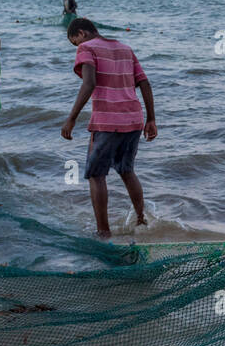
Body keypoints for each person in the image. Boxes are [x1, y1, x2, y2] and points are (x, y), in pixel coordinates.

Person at [60, 18, 157, 237]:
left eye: (74, 42)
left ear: (81, 33)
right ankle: (141, 221)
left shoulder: (86, 47)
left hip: (107, 122)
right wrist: (151, 119)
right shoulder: (125, 48)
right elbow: (144, 83)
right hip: (133, 119)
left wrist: (71, 118)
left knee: (96, 175)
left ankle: (103, 232)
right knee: (127, 170)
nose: (76, 47)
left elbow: (89, 83)